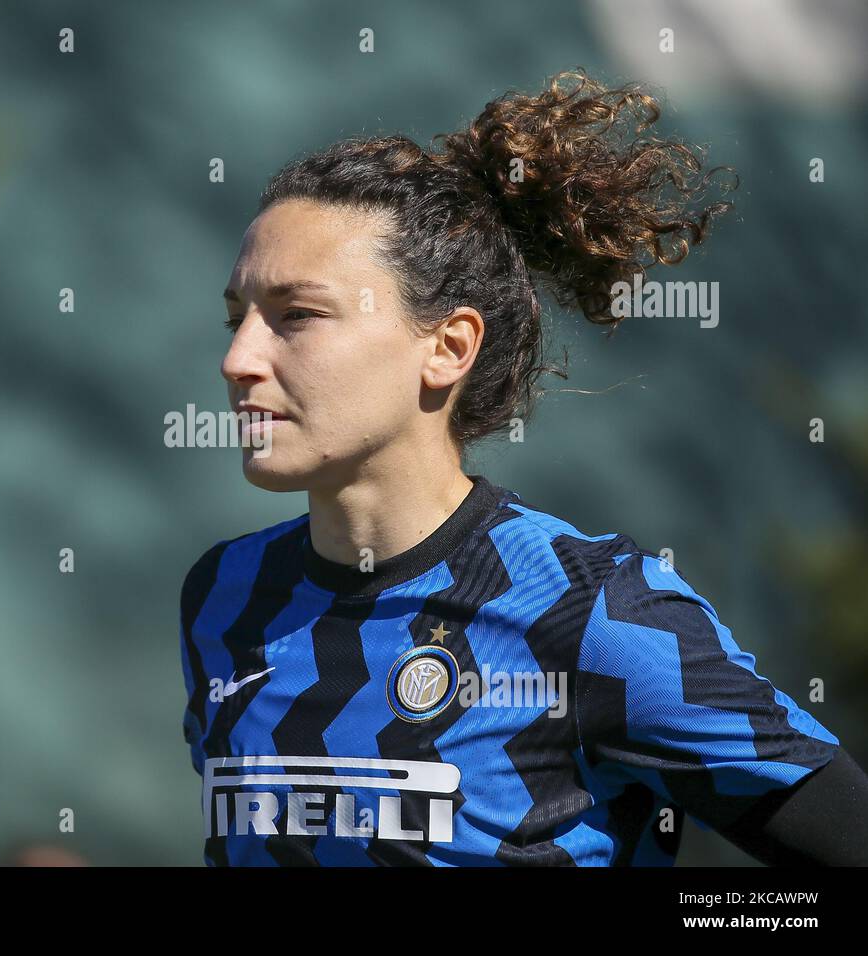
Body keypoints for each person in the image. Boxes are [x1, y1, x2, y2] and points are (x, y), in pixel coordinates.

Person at [178, 69, 868, 866]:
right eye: (238, 319)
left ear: (447, 347)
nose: (238, 359)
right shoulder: (223, 601)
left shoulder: (593, 615)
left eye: (296, 315)